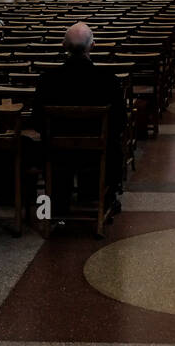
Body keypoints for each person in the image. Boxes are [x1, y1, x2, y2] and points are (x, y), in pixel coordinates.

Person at [34, 22, 126, 215]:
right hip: (98, 154)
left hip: (57, 153)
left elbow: (37, 121)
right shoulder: (108, 80)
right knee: (116, 144)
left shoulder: (47, 80)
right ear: (93, 46)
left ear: (63, 46)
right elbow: (120, 123)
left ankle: (59, 200)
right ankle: (106, 196)